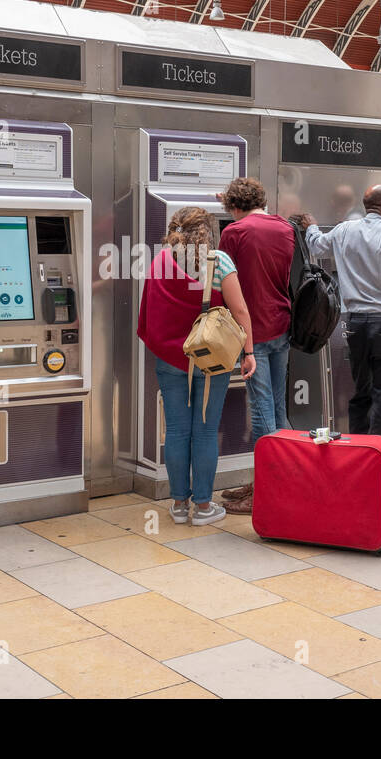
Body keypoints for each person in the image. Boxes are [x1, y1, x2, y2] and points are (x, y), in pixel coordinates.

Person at [137, 207, 256, 526]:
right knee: (204, 430)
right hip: (211, 359)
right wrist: (248, 352)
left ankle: (178, 505)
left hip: (170, 359)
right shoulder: (219, 262)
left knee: (176, 430)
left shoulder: (161, 260)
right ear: (208, 230)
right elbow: (240, 311)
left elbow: (149, 308)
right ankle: (203, 507)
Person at [299, 185, 381, 444]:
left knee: (362, 394)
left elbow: (316, 247)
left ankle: (359, 458)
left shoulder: (344, 230)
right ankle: (379, 465)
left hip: (355, 325)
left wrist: (312, 226)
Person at [215, 178, 295, 514]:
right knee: (278, 409)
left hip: (253, 332)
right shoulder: (285, 228)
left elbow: (224, 279)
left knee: (262, 415)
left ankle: (267, 489)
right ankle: (287, 478)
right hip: (282, 324)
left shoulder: (232, 233)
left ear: (234, 207)